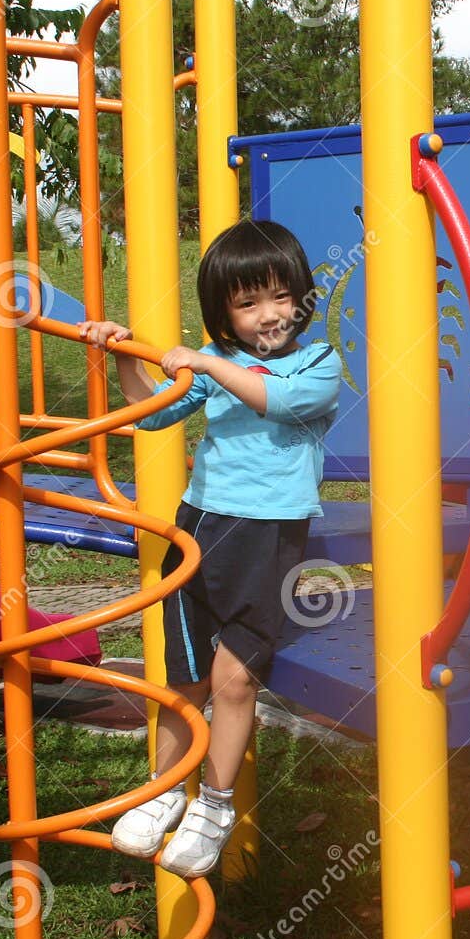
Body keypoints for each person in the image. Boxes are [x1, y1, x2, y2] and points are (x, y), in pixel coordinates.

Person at [80, 219, 339, 876]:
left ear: (301, 296)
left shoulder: (317, 363)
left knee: (234, 675)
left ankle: (215, 804)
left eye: (279, 296)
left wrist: (207, 362)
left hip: (267, 536)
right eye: (246, 304)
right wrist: (123, 358)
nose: (268, 315)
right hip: (201, 526)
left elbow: (273, 399)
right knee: (184, 678)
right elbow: (153, 411)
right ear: (224, 312)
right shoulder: (214, 364)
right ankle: (165, 789)